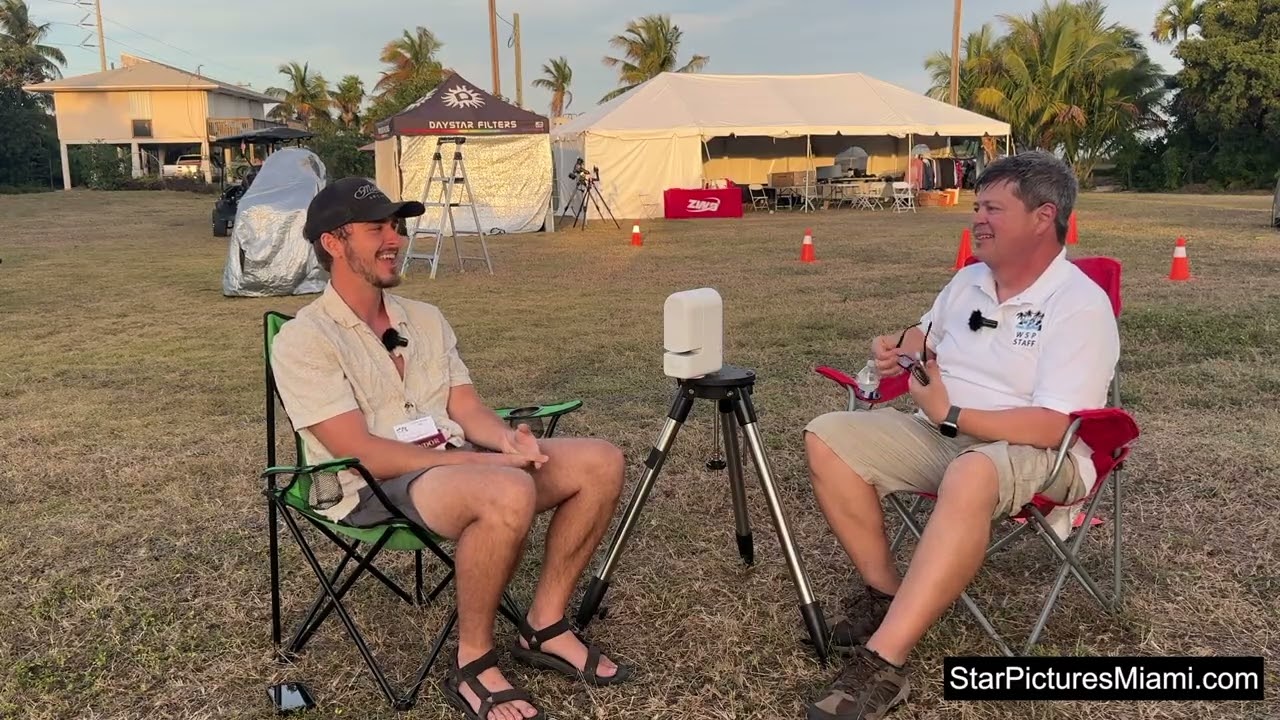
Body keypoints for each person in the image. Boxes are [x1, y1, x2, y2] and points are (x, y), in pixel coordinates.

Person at [271, 177, 632, 720]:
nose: (395, 238)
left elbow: (465, 409)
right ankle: (473, 660)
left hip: (453, 469)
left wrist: (505, 439)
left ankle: (545, 625)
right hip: (366, 486)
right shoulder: (305, 338)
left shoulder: (426, 319)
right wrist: (478, 461)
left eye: (397, 225)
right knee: (505, 487)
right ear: (333, 242)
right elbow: (363, 453)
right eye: (377, 229)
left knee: (601, 461)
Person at [801, 151, 1119, 720]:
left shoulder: (1078, 305)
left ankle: (884, 663)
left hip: (1043, 453)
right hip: (944, 434)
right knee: (827, 436)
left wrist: (952, 415)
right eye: (977, 206)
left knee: (971, 471)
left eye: (993, 208)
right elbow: (925, 334)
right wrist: (899, 348)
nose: (977, 219)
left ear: (1044, 217)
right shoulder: (970, 280)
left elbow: (1054, 425)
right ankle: (885, 594)